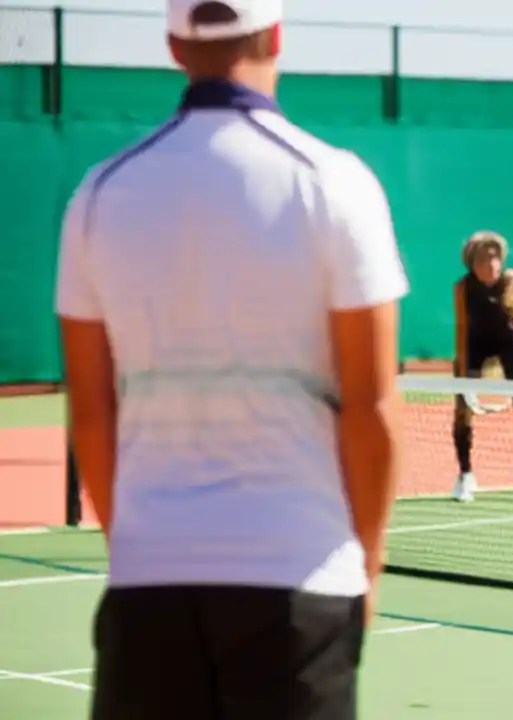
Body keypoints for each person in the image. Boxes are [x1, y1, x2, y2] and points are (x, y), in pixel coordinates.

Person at [55, 1, 408, 718]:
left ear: (173, 47)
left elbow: (91, 415)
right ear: (276, 36)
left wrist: (142, 545)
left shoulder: (98, 195)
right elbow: (371, 408)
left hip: (146, 591)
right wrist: (366, 562)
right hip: (302, 586)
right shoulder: (338, 184)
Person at [451, 230, 513, 504]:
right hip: (476, 345)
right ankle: (465, 475)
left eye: (494, 258)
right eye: (483, 259)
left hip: (510, 345)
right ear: (472, 264)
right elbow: (462, 330)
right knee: (461, 411)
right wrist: (465, 382)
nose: (491, 264)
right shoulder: (463, 289)